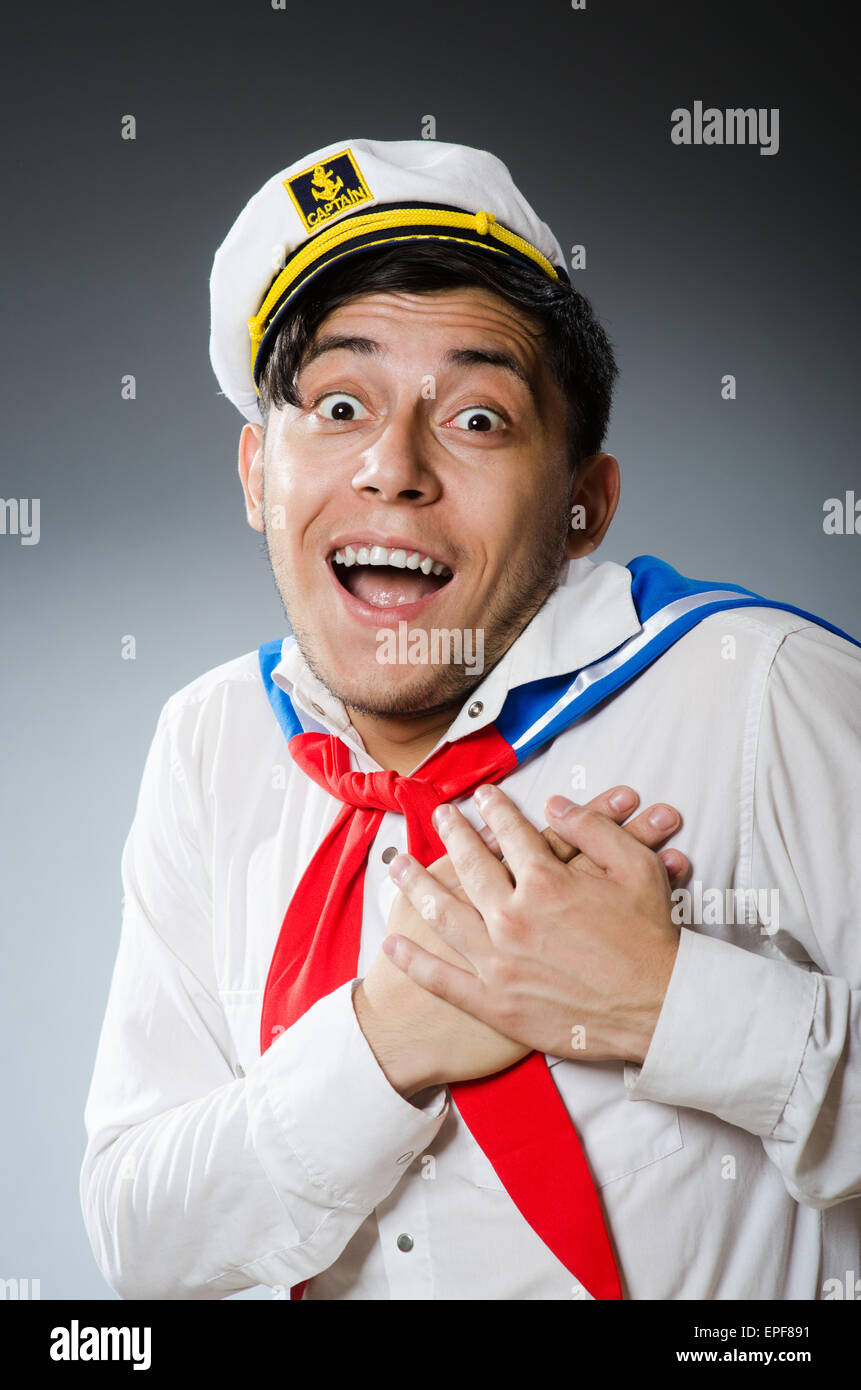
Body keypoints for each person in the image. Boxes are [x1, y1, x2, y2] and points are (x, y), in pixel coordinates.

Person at [80, 137, 861, 1300]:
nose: (393, 467)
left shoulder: (769, 687)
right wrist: (387, 1043)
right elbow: (143, 1242)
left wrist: (664, 1001)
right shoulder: (211, 744)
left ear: (585, 502)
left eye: (479, 419)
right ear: (258, 475)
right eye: (340, 403)